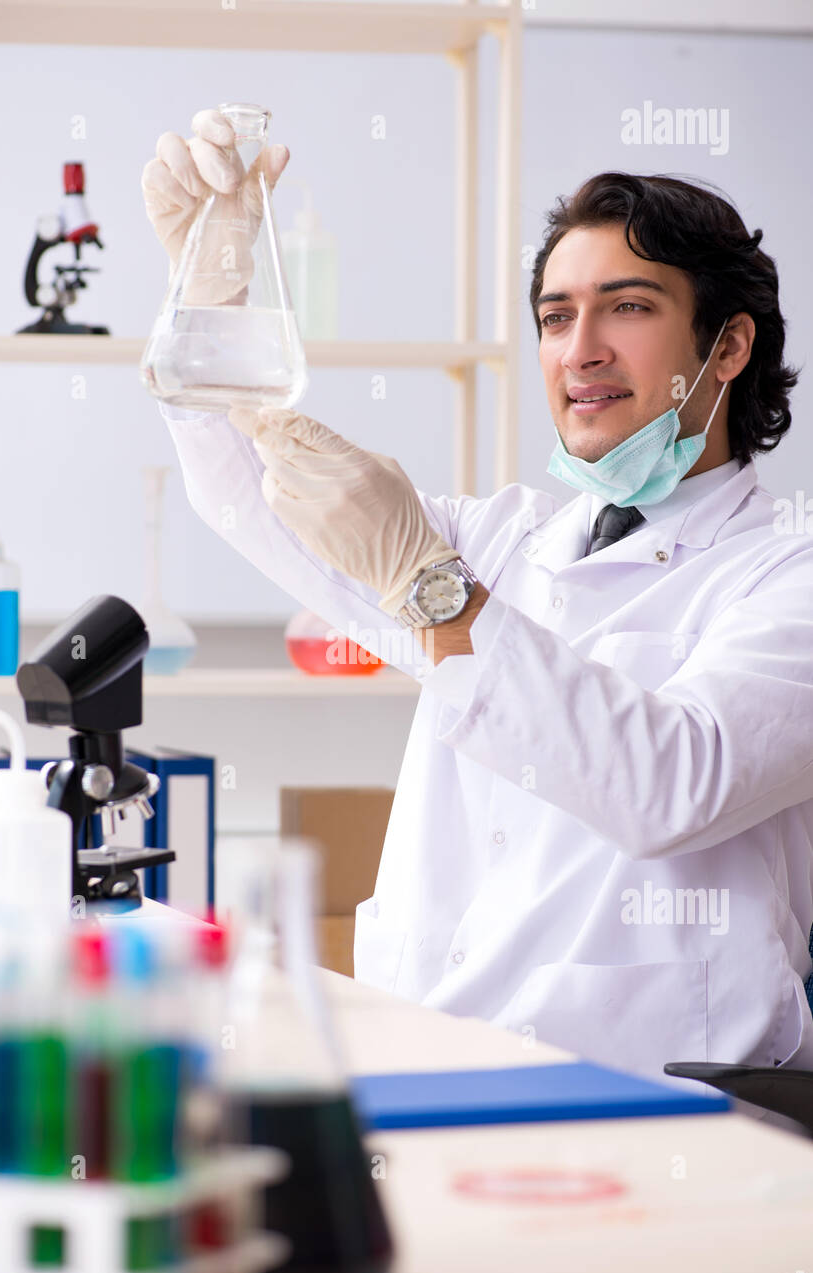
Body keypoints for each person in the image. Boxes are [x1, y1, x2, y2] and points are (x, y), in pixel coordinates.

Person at [142, 111, 813, 1093]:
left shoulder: (787, 572)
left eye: (625, 309)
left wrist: (433, 589)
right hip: (426, 1068)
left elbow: (672, 783)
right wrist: (212, 295)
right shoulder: (500, 540)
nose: (579, 350)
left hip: (668, 1100)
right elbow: (249, 491)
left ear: (727, 347)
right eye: (554, 316)